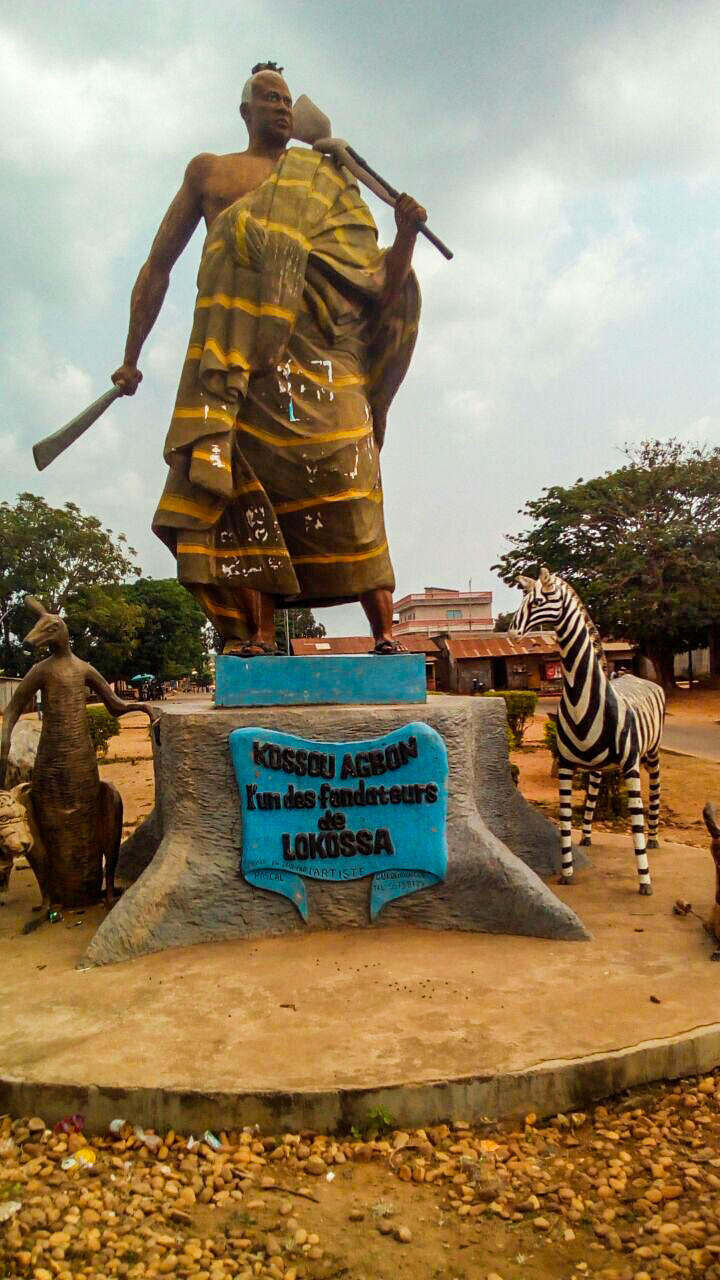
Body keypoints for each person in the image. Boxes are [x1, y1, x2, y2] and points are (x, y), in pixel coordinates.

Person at [112, 62, 426, 657]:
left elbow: (381, 285)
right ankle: (257, 635)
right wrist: (130, 357)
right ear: (245, 111)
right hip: (242, 364)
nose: (282, 107)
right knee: (246, 498)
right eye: (268, 98)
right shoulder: (211, 172)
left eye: (287, 99)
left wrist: (404, 233)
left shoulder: (327, 176)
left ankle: (386, 635)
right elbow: (159, 266)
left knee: (353, 483)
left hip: (326, 362)